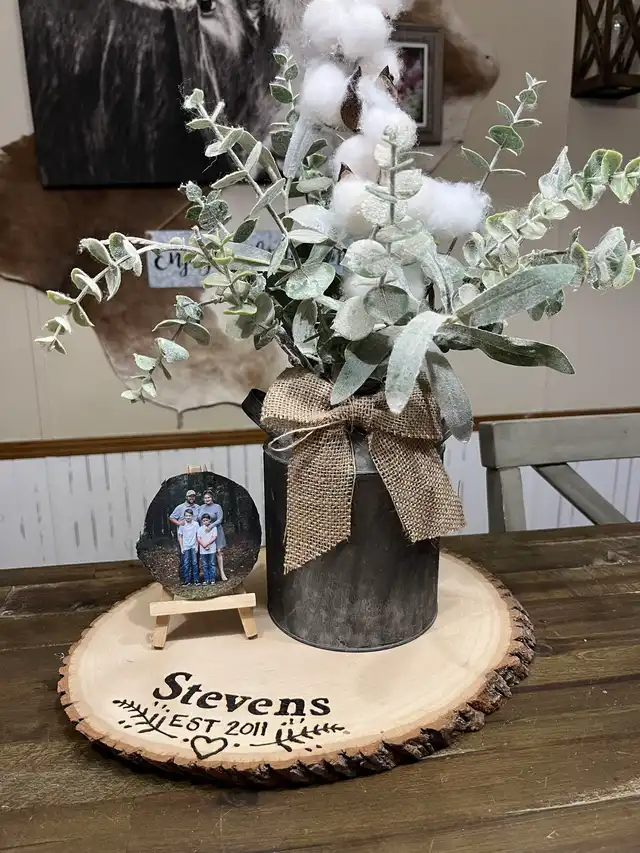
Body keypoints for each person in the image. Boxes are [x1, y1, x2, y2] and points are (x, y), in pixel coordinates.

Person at [198, 490, 228, 581]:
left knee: (218, 551)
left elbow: (220, 519)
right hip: (204, 533)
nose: (207, 499)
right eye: (205, 498)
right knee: (206, 551)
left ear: (212, 498)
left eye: (209, 497)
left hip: (216, 531)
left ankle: (222, 573)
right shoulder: (201, 507)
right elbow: (198, 519)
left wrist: (210, 526)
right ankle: (209, 574)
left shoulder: (217, 507)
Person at [178, 509, 199, 585]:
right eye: (186, 516)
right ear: (184, 516)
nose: (188, 517)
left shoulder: (196, 524)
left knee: (194, 563)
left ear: (192, 516)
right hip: (185, 546)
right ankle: (187, 581)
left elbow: (197, 535)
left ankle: (196, 580)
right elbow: (180, 536)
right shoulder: (182, 524)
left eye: (189, 516)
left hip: (193, 546)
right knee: (186, 563)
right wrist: (182, 547)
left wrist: (197, 546)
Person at [197, 513, 218, 585]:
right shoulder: (200, 529)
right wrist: (204, 545)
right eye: (204, 521)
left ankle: (212, 579)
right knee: (204, 565)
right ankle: (206, 579)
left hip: (211, 549)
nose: (205, 522)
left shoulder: (213, 528)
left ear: (210, 520)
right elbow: (199, 538)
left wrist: (207, 544)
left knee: (212, 564)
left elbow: (214, 537)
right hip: (203, 550)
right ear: (202, 521)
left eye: (207, 520)